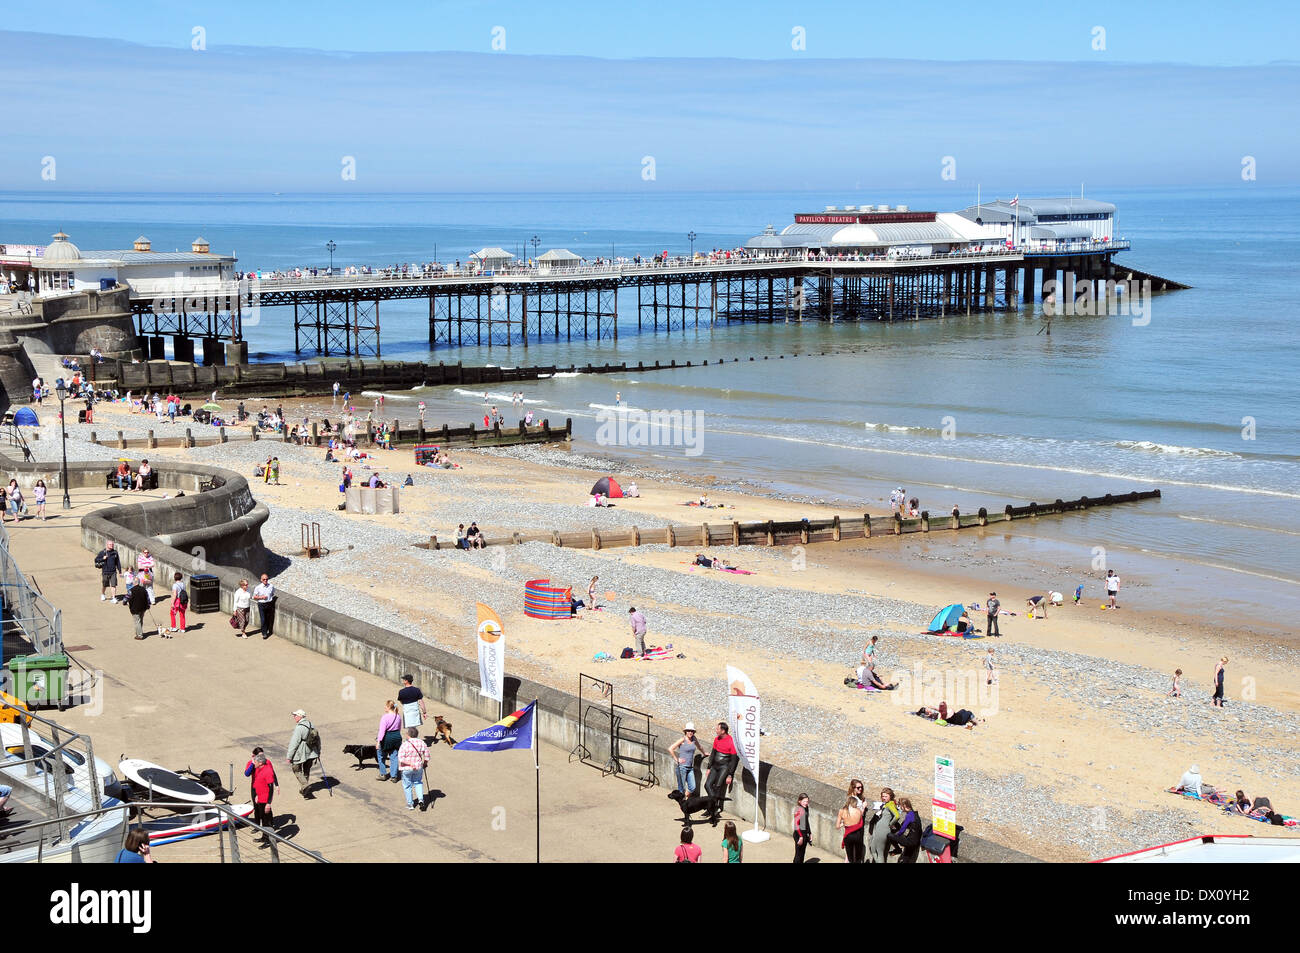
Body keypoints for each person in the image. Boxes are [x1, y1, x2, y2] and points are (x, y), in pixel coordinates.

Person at [702, 722, 739, 814]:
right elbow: (713, 753)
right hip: (715, 766)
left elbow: (734, 760)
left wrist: (730, 774)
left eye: (717, 729)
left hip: (724, 767)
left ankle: (711, 807)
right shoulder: (716, 739)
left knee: (717, 787)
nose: (716, 730)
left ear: (723, 731)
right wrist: (709, 767)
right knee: (707, 785)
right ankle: (714, 805)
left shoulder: (731, 742)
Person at [287, 709, 321, 798]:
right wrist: (318, 751)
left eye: (295, 715)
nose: (294, 717)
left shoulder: (299, 727)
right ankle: (305, 788)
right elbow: (318, 739)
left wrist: (289, 756)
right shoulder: (311, 724)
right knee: (306, 769)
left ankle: (305, 785)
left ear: (300, 716)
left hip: (301, 752)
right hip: (312, 752)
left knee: (296, 769)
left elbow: (294, 743)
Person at [243, 751, 279, 836]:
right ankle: (264, 837)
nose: (253, 763)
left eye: (255, 762)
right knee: (263, 818)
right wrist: (257, 796)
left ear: (260, 763)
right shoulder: (260, 769)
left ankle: (268, 839)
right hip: (260, 797)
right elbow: (256, 781)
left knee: (266, 820)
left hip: (265, 799)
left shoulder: (267, 771)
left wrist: (268, 803)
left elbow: (270, 788)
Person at [397, 726, 430, 811]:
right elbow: (427, 756)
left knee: (407, 785)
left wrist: (410, 764)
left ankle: (410, 804)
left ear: (408, 735)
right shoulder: (422, 743)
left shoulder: (404, 744)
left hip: (407, 768)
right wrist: (425, 763)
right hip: (419, 767)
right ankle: (421, 800)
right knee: (418, 782)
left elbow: (401, 759)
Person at [869, 787, 900, 863]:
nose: (884, 798)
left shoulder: (891, 804)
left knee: (879, 852)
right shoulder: (887, 804)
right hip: (879, 829)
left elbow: (897, 816)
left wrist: (890, 824)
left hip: (883, 830)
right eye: (883, 796)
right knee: (872, 849)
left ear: (891, 796)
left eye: (886, 796)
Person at [668, 722, 701, 794]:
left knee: (692, 787)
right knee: (681, 788)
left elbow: (699, 746)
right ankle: (682, 804)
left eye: (692, 731)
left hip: (690, 767)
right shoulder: (682, 740)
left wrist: (704, 753)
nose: (690, 732)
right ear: (685, 731)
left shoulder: (694, 739)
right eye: (689, 730)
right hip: (682, 767)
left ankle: (684, 800)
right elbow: (670, 749)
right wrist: (676, 759)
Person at [887, 797, 922, 862]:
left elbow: (902, 829)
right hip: (915, 842)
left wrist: (897, 836)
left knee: (889, 835)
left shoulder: (909, 816)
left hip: (910, 842)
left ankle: (898, 850)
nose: (900, 808)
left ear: (904, 806)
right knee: (906, 858)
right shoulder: (915, 814)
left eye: (900, 806)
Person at [376, 700, 403, 781]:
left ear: (388, 707)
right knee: (394, 757)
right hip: (396, 737)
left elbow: (382, 731)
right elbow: (399, 728)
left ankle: (383, 774)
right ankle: (394, 776)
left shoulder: (385, 717)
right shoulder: (398, 716)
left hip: (387, 738)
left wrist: (378, 742)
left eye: (385, 706)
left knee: (381, 756)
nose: (384, 707)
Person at [836, 791, 866, 863]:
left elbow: (837, 826)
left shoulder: (842, 811)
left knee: (850, 858)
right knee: (858, 858)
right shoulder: (859, 811)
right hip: (858, 835)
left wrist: (843, 823)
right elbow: (860, 822)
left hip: (848, 835)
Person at [127, 575, 152, 640]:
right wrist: (148, 605)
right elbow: (148, 598)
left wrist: (124, 602)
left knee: (137, 621)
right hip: (143, 608)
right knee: (140, 620)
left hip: (134, 608)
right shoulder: (144, 589)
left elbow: (126, 598)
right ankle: (139, 632)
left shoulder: (131, 590)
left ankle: (140, 635)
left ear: (134, 583)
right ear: (139, 582)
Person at [253, 573, 276, 639]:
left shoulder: (271, 586)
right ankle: (264, 633)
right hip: (261, 604)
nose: (265, 580)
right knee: (263, 619)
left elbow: (272, 594)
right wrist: (261, 597)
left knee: (268, 618)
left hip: (269, 604)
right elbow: (254, 597)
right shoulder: (258, 587)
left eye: (267, 579)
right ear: (261, 580)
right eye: (264, 579)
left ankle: (267, 630)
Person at [792, 793, 812, 863]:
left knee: (802, 854)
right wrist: (800, 837)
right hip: (799, 834)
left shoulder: (806, 808)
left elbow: (806, 821)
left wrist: (810, 833)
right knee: (798, 854)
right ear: (799, 801)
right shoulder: (798, 809)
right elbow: (796, 825)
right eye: (804, 801)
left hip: (804, 834)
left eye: (807, 801)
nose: (806, 803)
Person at [168, 571, 186, 636]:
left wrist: (172, 603)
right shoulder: (183, 584)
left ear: (175, 578)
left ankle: (173, 627)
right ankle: (182, 628)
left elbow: (174, 594)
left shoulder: (175, 585)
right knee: (182, 614)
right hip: (183, 601)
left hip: (177, 601)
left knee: (172, 613)